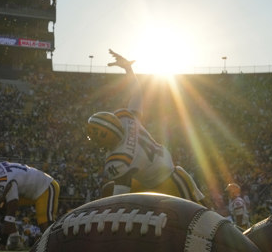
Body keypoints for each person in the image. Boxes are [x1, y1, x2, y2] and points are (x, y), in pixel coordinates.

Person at [86, 49, 204, 202]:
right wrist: (128, 69)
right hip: (152, 179)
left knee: (196, 211)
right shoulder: (128, 119)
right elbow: (136, 93)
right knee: (108, 190)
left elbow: (119, 197)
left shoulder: (118, 159)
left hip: (169, 181)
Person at [0, 160, 62, 228]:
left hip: (45, 186)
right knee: (6, 205)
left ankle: (63, 240)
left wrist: (7, 226)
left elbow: (13, 202)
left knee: (45, 225)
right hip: (32, 191)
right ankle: (14, 237)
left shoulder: (1, 182)